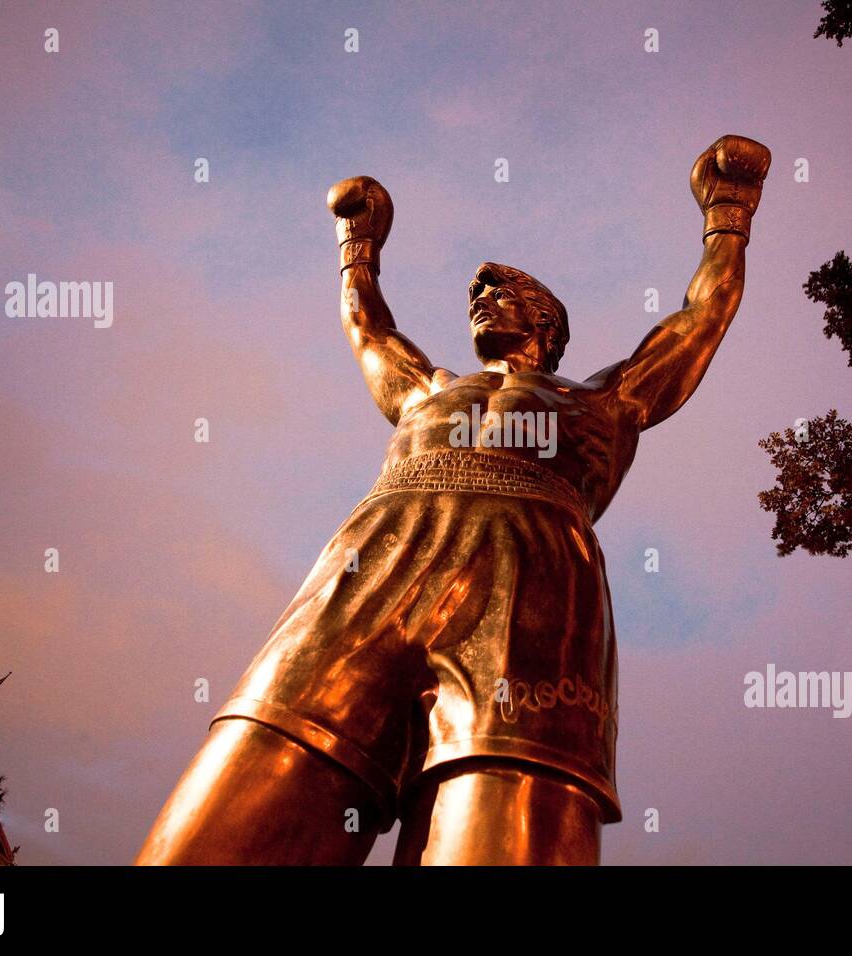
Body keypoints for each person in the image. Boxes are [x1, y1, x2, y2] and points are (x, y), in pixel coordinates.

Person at [136, 134, 771, 865]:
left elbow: (701, 317)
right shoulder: (428, 391)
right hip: (379, 550)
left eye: (503, 292)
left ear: (546, 325)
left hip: (532, 572)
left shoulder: (609, 397)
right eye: (476, 293)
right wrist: (358, 246)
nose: (481, 300)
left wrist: (727, 211)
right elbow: (368, 328)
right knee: (260, 772)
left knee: (500, 824)